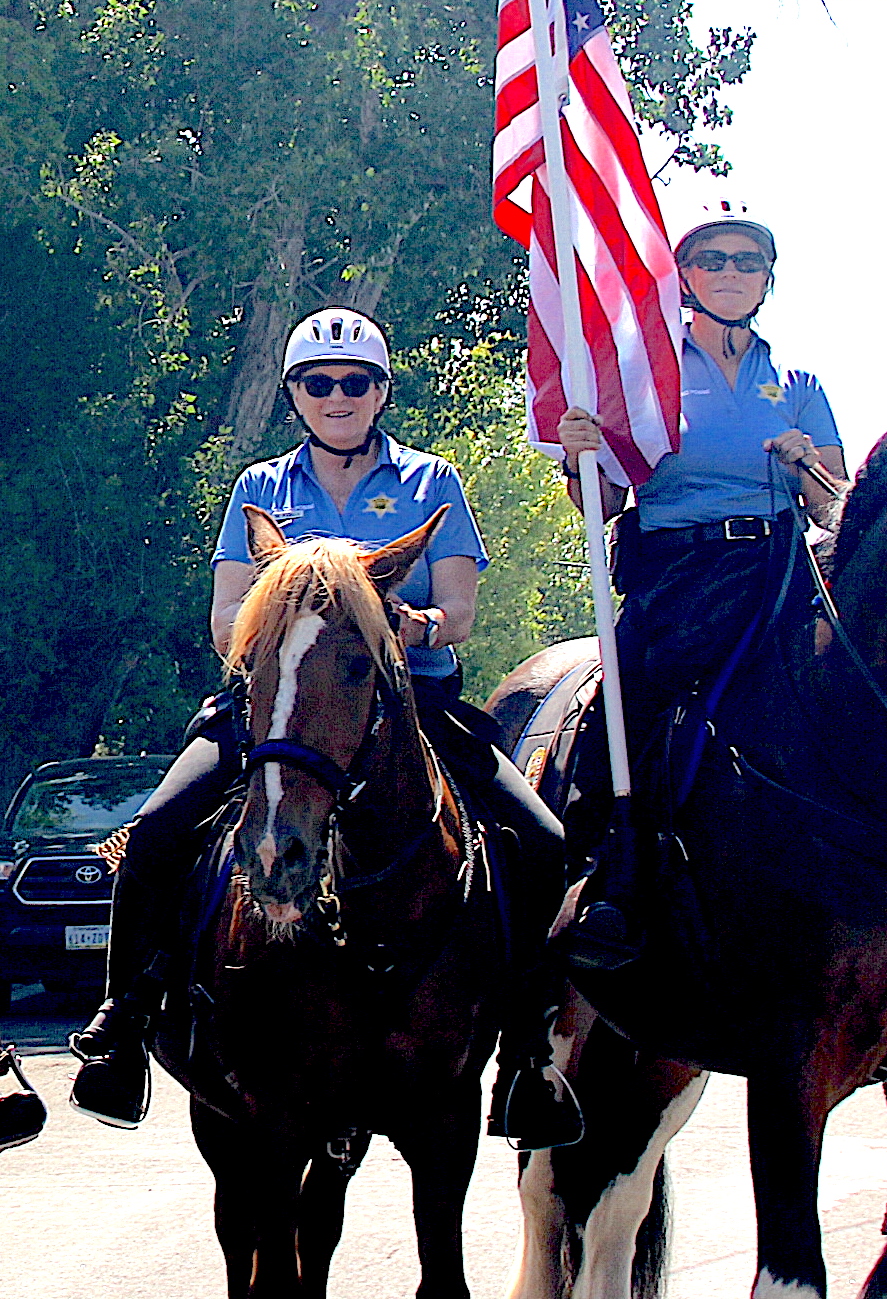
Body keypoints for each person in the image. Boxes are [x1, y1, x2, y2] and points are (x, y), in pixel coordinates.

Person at [70, 309, 575, 1146]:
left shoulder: (431, 481)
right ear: (294, 394)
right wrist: (287, 636)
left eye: (355, 381)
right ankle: (122, 1022)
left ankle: (527, 1050)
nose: (337, 396)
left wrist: (412, 626)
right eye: (318, 382)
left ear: (381, 392)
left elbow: (459, 609)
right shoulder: (260, 489)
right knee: (156, 830)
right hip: (277, 711)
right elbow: (226, 619)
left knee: (542, 840)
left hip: (409, 707)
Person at [555, 210, 847, 964]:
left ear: (767, 280)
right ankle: (607, 875)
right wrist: (580, 458)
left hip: (778, 573)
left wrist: (807, 466)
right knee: (623, 705)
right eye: (712, 260)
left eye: (748, 261)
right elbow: (602, 502)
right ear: (683, 277)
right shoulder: (645, 374)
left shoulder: (799, 384)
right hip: (676, 577)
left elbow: (834, 509)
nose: (730, 273)